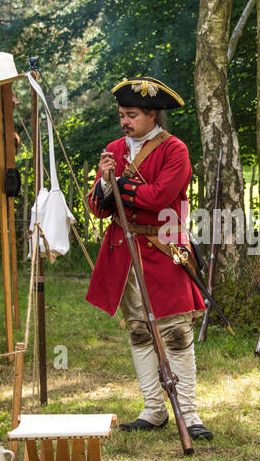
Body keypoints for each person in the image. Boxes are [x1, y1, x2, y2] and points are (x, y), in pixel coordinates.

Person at [85, 76, 213, 440]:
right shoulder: (113, 150)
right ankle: (154, 409)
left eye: (132, 115)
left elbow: (159, 197)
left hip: (164, 248)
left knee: (174, 332)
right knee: (140, 331)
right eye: (122, 114)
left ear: (153, 115)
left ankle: (188, 413)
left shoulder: (175, 150)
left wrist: (120, 186)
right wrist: (106, 183)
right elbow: (98, 208)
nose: (125, 121)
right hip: (124, 253)